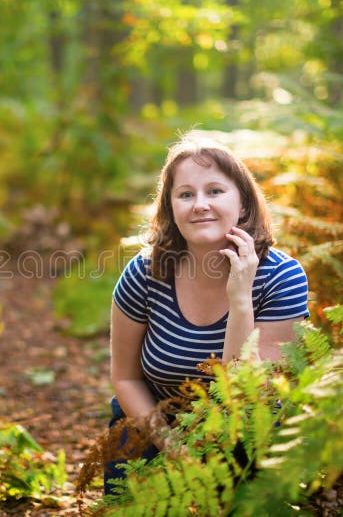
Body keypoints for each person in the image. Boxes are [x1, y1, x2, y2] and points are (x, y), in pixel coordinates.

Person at [105, 130, 309, 493]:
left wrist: (241, 298)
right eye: (186, 194)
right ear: (172, 209)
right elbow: (125, 378)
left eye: (215, 191)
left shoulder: (282, 277)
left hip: (247, 427)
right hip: (156, 422)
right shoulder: (145, 272)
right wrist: (173, 448)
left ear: (243, 204)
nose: (200, 204)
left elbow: (246, 395)